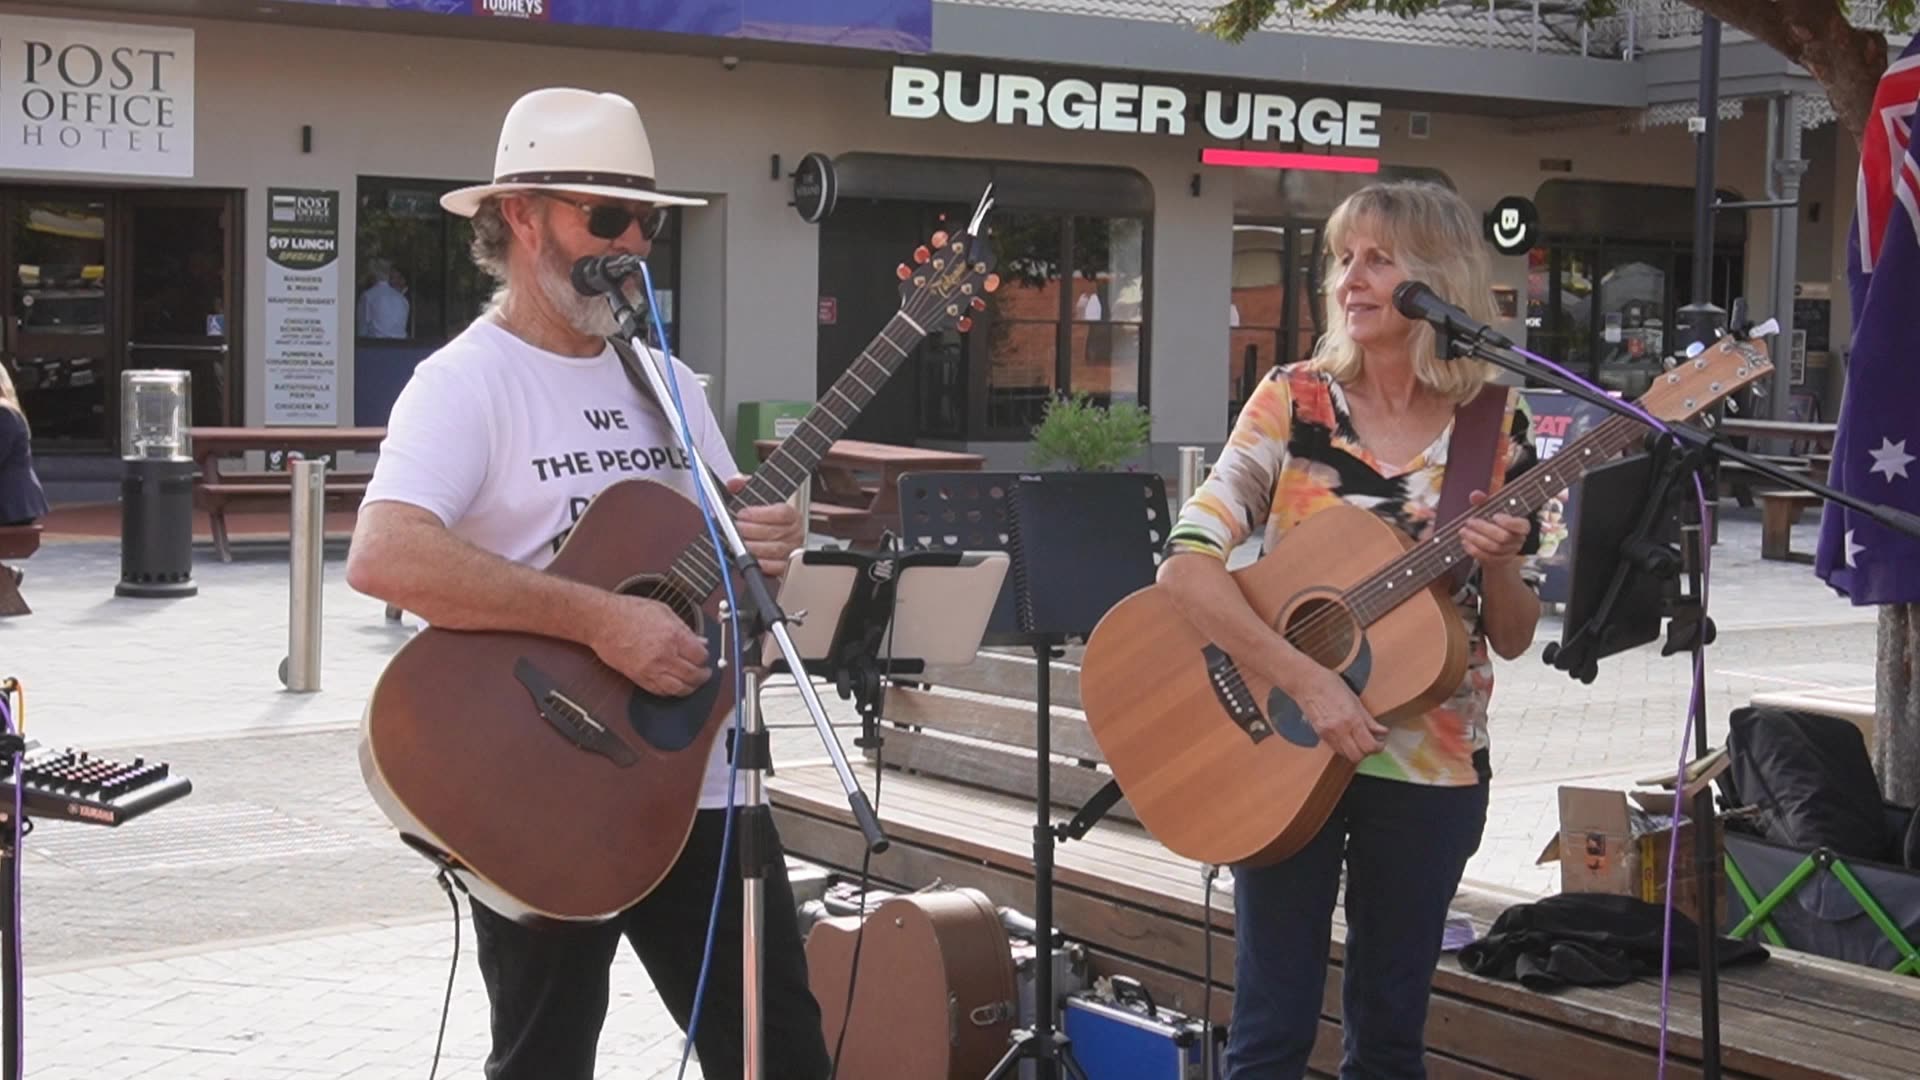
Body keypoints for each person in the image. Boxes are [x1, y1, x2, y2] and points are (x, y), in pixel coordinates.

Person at [345, 87, 830, 1080]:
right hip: (539, 786)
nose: (635, 243)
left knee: (782, 1058)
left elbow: (716, 564)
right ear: (519, 216)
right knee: (545, 1063)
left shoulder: (668, 384)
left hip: (701, 785)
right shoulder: (464, 384)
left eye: (646, 220)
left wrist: (766, 543)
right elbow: (385, 553)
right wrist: (601, 622)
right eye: (606, 218)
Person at [1160, 181, 1543, 1080]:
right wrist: (1304, 679)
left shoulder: (1495, 419)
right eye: (1342, 259)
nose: (1350, 280)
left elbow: (1515, 636)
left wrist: (1496, 559)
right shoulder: (1295, 402)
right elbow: (1184, 564)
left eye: (1379, 259)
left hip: (1432, 760)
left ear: (1439, 277)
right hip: (1282, 744)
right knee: (1270, 1031)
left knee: (1391, 1034)